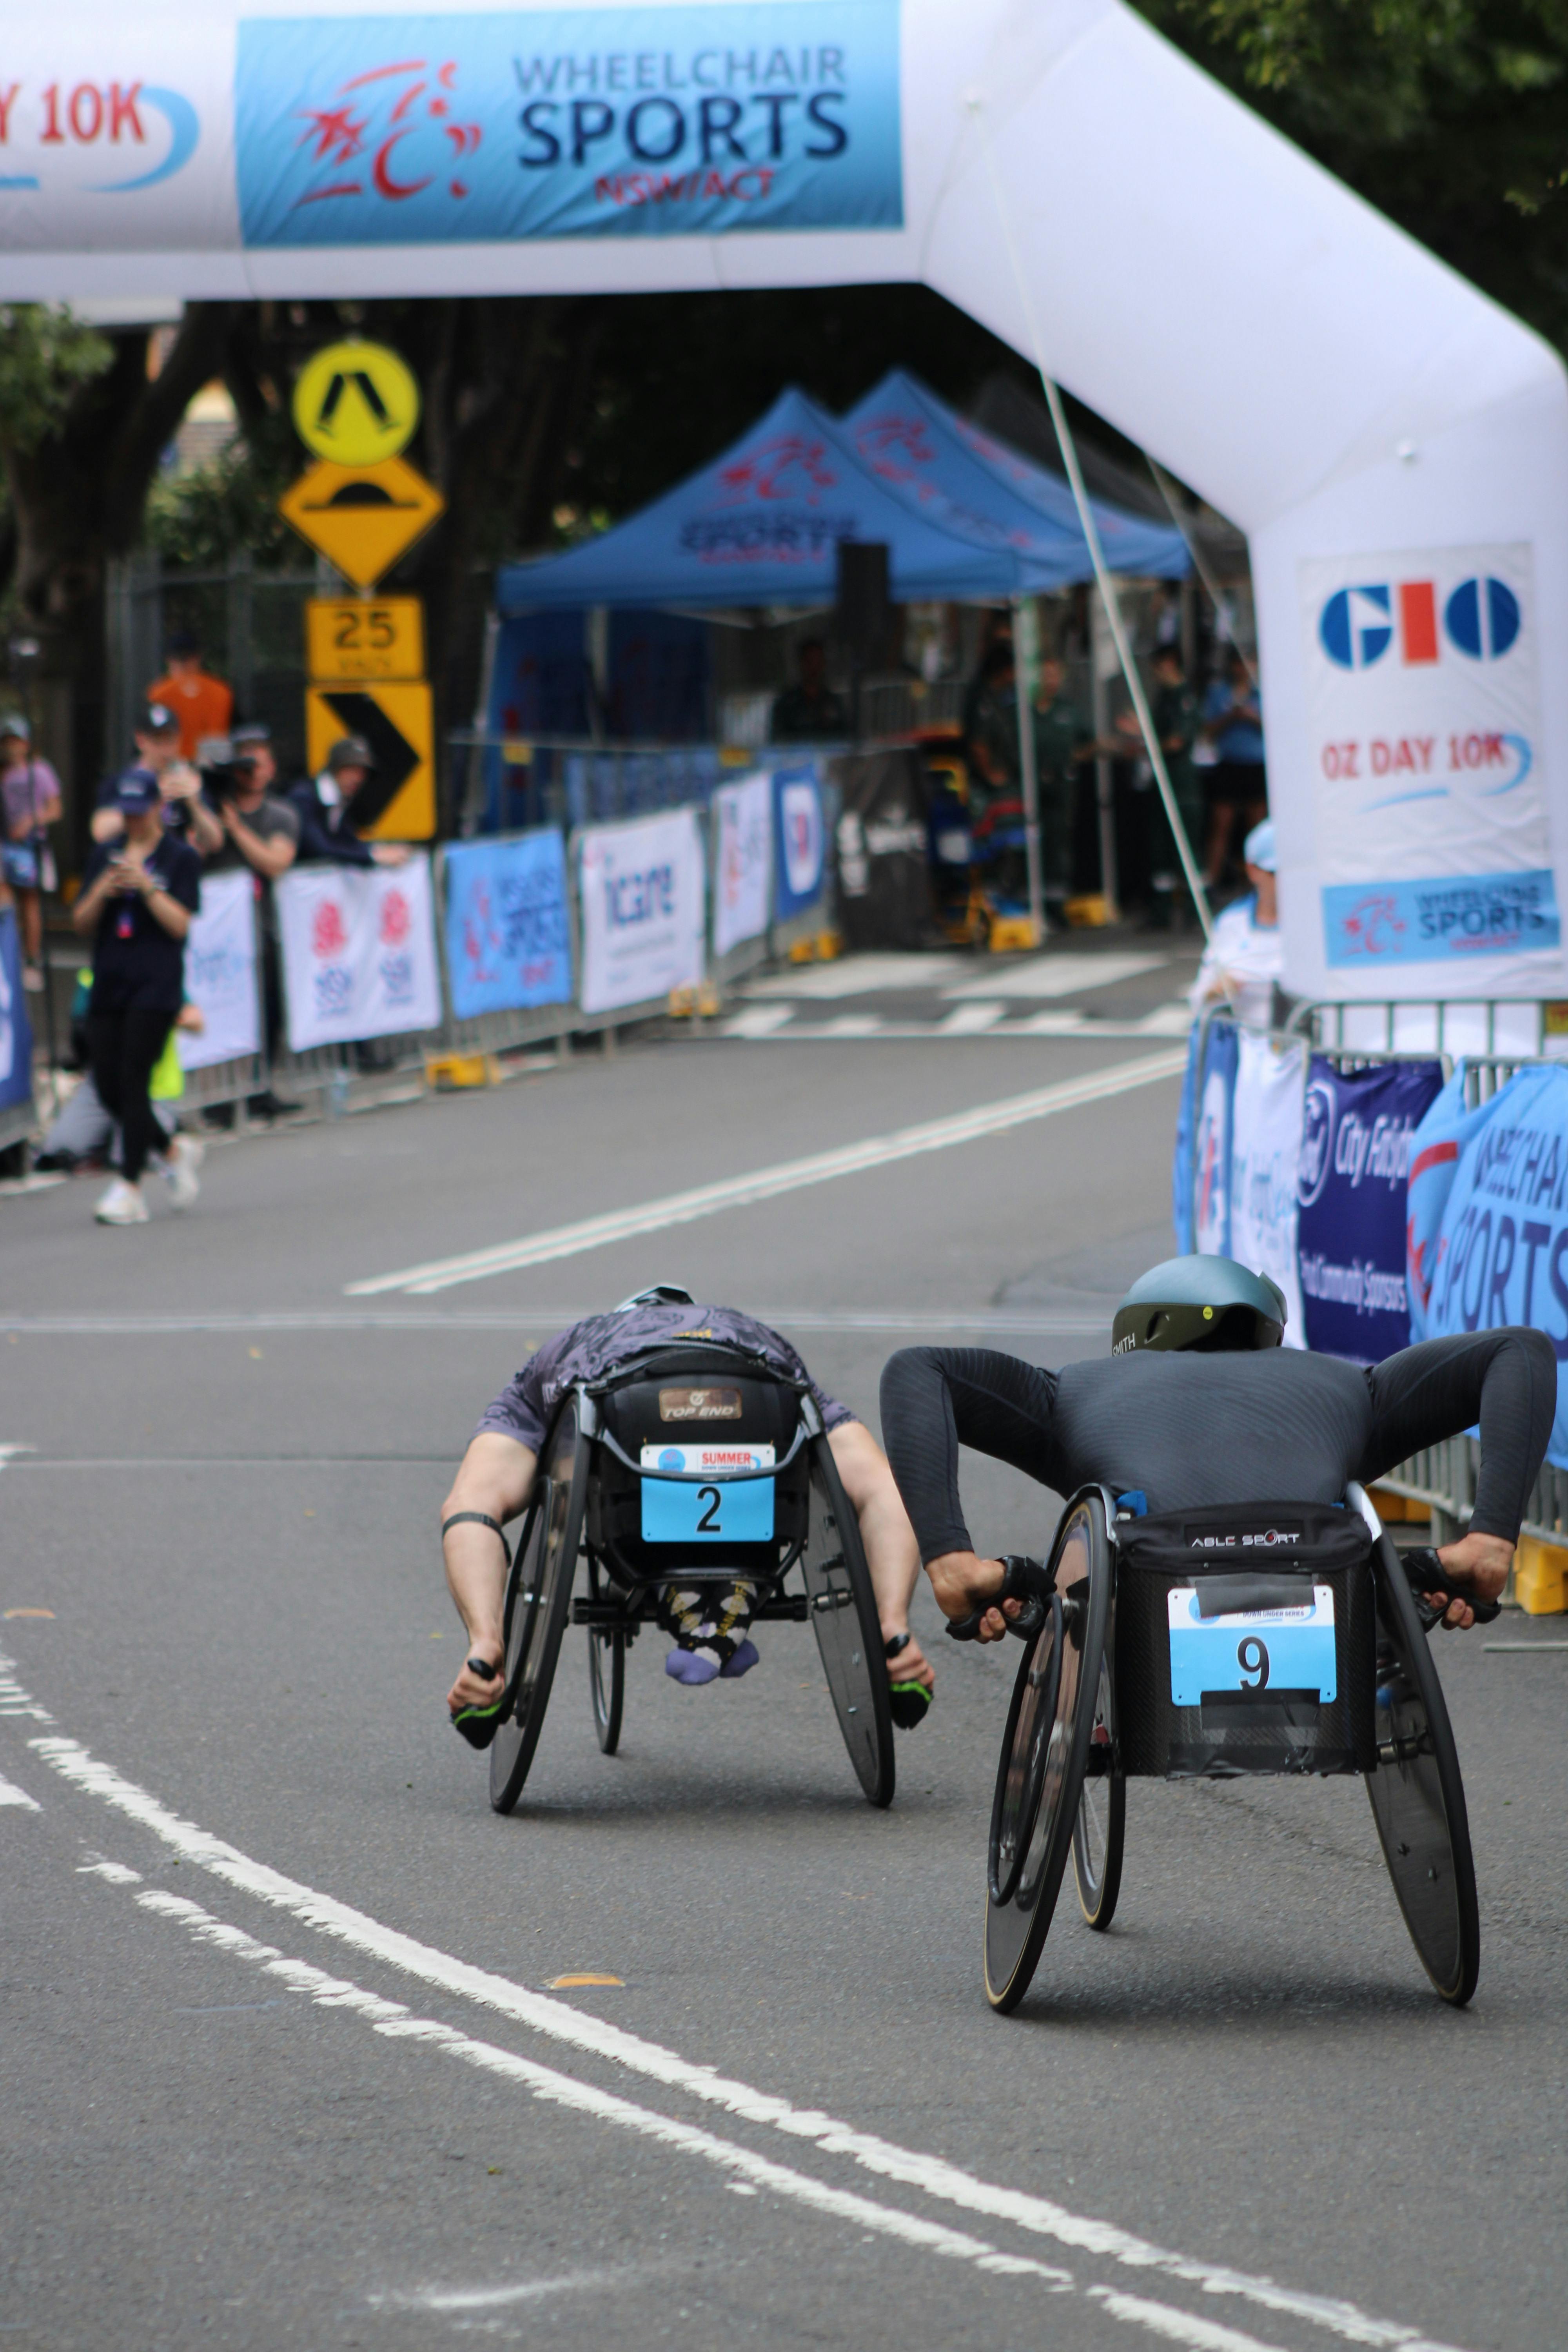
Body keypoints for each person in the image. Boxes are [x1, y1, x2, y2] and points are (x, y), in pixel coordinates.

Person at [879, 1255, 1555, 1648]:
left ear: (1135, 1339)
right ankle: (1486, 1552)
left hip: (1149, 1600)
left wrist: (952, 1558)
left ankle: (956, 1571)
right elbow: (1518, 1351)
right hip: (1321, 1581)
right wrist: (1489, 1537)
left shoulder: (1074, 1392)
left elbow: (916, 1370)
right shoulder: (1348, 1387)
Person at [439, 1287, 935, 1742]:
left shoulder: (574, 1342)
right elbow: (883, 1489)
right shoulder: (750, 1333)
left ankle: (484, 1651)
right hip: (752, 1384)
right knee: (879, 1484)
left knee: (469, 1504)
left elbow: (474, 1502)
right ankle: (893, 1633)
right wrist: (889, 1616)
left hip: (612, 1396)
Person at [71, 770, 202, 1225]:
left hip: (156, 985)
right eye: (126, 814)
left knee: (134, 1079)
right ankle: (170, 1149)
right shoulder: (105, 854)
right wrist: (103, 890)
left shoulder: (180, 857)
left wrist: (146, 886)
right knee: (108, 1084)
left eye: (140, 812)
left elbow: (180, 924)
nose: (133, 821)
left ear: (157, 809)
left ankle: (129, 1187)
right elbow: (81, 921)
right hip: (110, 982)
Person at [199, 723, 301, 1120]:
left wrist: (237, 829)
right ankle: (218, 1097)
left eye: (260, 762)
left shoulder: (280, 814)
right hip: (218, 935)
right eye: (245, 764)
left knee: (269, 1011)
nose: (253, 771)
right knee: (220, 1012)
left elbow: (276, 862)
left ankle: (259, 1088)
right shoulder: (211, 809)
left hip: (263, 927)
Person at [93, 704, 223, 858]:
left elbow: (215, 842)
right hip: (133, 862)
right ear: (141, 740)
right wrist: (149, 800)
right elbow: (100, 832)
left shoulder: (187, 780)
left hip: (175, 865)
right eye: (157, 741)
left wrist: (194, 803)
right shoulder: (121, 782)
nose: (165, 750)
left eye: (170, 741)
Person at [1189, 817, 1282, 1028]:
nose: (1283, 881)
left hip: (1304, 1042)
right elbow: (1199, 998)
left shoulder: (1317, 922)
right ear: (1252, 871)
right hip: (1246, 1042)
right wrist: (1217, 991)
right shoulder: (1231, 923)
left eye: (1290, 871)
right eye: (1274, 873)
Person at [0, 714, 62, 990]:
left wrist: (30, 822)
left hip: (30, 845)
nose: (11, 747)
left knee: (30, 900)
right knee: (6, 901)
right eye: (7, 742)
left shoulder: (41, 770)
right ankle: (9, 959)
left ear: (26, 743)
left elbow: (56, 808)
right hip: (5, 844)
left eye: (16, 740)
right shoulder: (3, 773)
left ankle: (31, 960)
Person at [1200, 648, 1267, 888]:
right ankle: (1212, 880)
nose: (1243, 670)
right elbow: (1206, 730)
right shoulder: (1219, 692)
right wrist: (1231, 717)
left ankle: (1259, 882)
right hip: (1229, 764)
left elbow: (1275, 726)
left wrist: (1250, 716)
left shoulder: (1263, 692)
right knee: (1221, 825)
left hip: (1255, 765)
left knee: (1257, 827)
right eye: (1238, 664)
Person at [290, 735, 410, 869]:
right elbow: (319, 848)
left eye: (362, 772)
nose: (358, 779)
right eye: (351, 770)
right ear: (335, 768)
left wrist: (379, 850)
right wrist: (372, 856)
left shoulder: (339, 799)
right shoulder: (305, 798)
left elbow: (347, 840)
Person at [1030, 655, 1094, 902]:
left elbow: (1089, 742)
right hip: (1032, 785)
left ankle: (1057, 900)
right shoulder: (1026, 711)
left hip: (1061, 786)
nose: (1051, 681)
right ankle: (1032, 896)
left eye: (1055, 675)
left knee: (1058, 842)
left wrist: (1073, 757)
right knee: (1033, 839)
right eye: (1046, 675)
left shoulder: (1069, 710)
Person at [146, 631, 233, 764]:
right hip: (206, 763)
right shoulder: (220, 691)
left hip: (176, 763)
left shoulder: (159, 692)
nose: (183, 665)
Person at [769, 639, 849, 744]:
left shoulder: (833, 703)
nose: (814, 668)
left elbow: (846, 738)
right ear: (801, 664)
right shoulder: (786, 704)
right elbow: (778, 741)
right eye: (810, 662)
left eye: (818, 662)